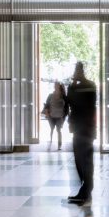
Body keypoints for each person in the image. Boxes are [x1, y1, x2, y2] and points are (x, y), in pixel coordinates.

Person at [65, 61, 97, 206]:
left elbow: (72, 102)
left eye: (77, 70)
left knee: (82, 161)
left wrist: (72, 85)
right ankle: (86, 191)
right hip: (87, 129)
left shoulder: (77, 87)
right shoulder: (91, 85)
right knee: (84, 161)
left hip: (81, 129)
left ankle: (86, 191)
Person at [42, 80, 67, 151]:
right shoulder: (50, 95)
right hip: (51, 116)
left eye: (57, 85)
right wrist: (47, 114)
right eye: (55, 85)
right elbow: (46, 105)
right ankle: (50, 142)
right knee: (52, 129)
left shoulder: (63, 96)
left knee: (59, 130)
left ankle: (59, 145)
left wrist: (64, 116)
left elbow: (66, 107)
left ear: (59, 86)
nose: (55, 86)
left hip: (60, 117)